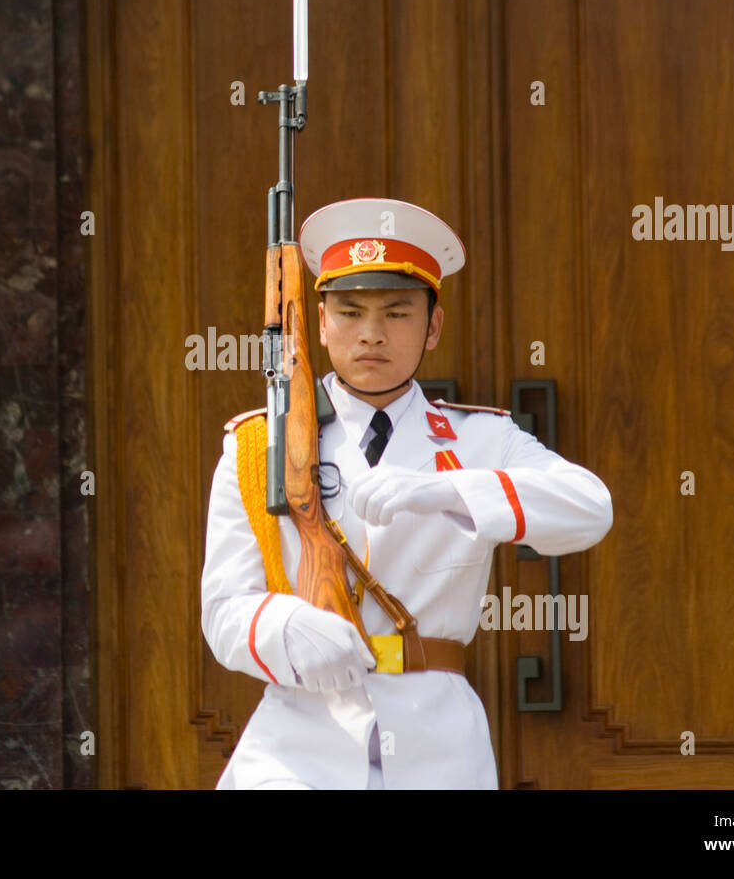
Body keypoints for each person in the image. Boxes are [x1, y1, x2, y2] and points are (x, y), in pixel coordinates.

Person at [201, 197, 614, 788]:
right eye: (349, 312)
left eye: (396, 313)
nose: (371, 335)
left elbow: (588, 508)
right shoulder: (256, 447)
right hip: (296, 746)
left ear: (433, 327)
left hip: (437, 743)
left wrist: (445, 490)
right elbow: (223, 610)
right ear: (320, 323)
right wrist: (286, 627)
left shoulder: (481, 439)